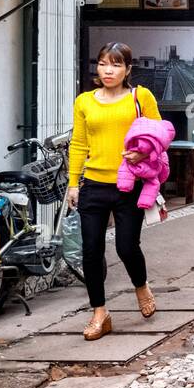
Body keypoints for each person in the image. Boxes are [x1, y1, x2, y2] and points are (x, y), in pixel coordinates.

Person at [67, 43, 163, 341]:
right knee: (91, 250)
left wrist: (143, 154)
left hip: (130, 185)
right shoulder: (84, 101)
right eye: (103, 64)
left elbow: (159, 134)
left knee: (126, 247)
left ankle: (141, 285)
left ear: (128, 69)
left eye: (116, 65)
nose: (108, 70)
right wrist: (73, 183)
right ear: (97, 68)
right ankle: (100, 313)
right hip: (93, 185)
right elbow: (79, 143)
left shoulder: (140, 97)